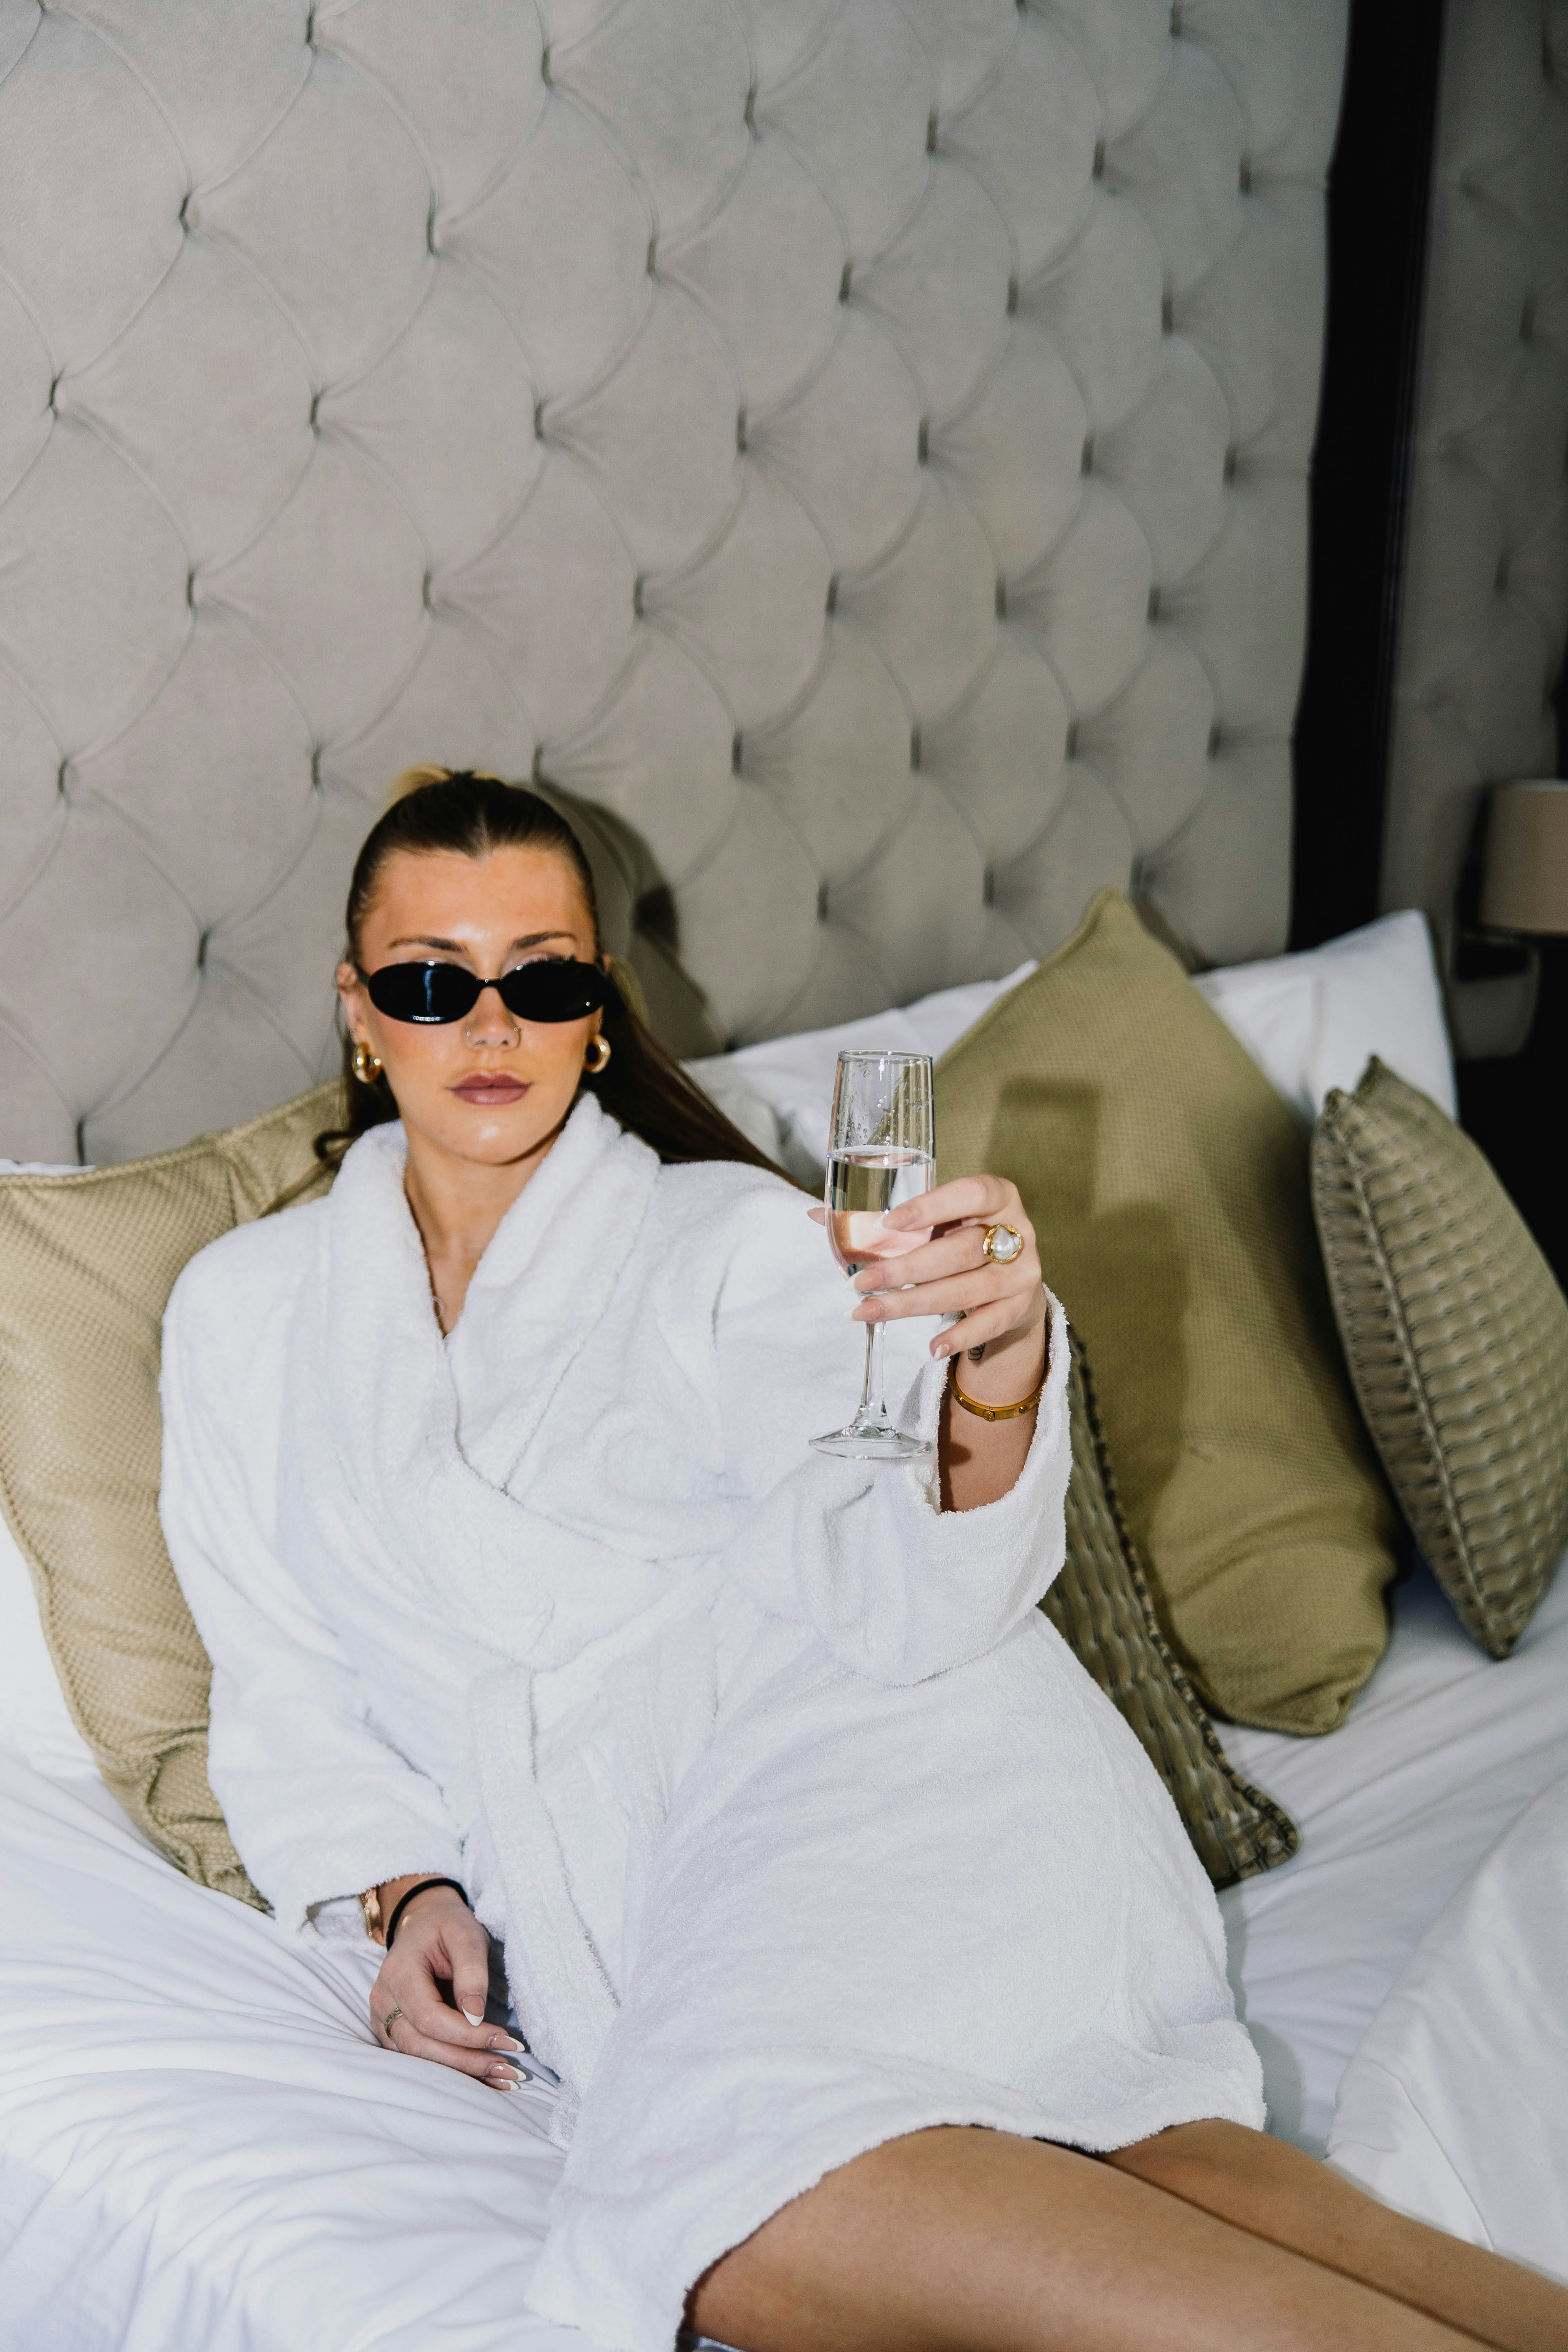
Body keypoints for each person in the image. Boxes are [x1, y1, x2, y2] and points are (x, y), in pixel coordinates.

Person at [159, 768, 1568, 2352]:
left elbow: (907, 1586)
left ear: (596, 1012)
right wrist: (404, 1882)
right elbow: (278, 1672)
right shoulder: (242, 1316)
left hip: (889, 1756)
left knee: (745, 2204)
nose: (491, 1026)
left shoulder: (725, 1241)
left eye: (541, 980)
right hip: (680, 1841)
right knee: (1136, 2159)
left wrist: (996, 1370)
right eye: (433, 983)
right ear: (360, 1008)